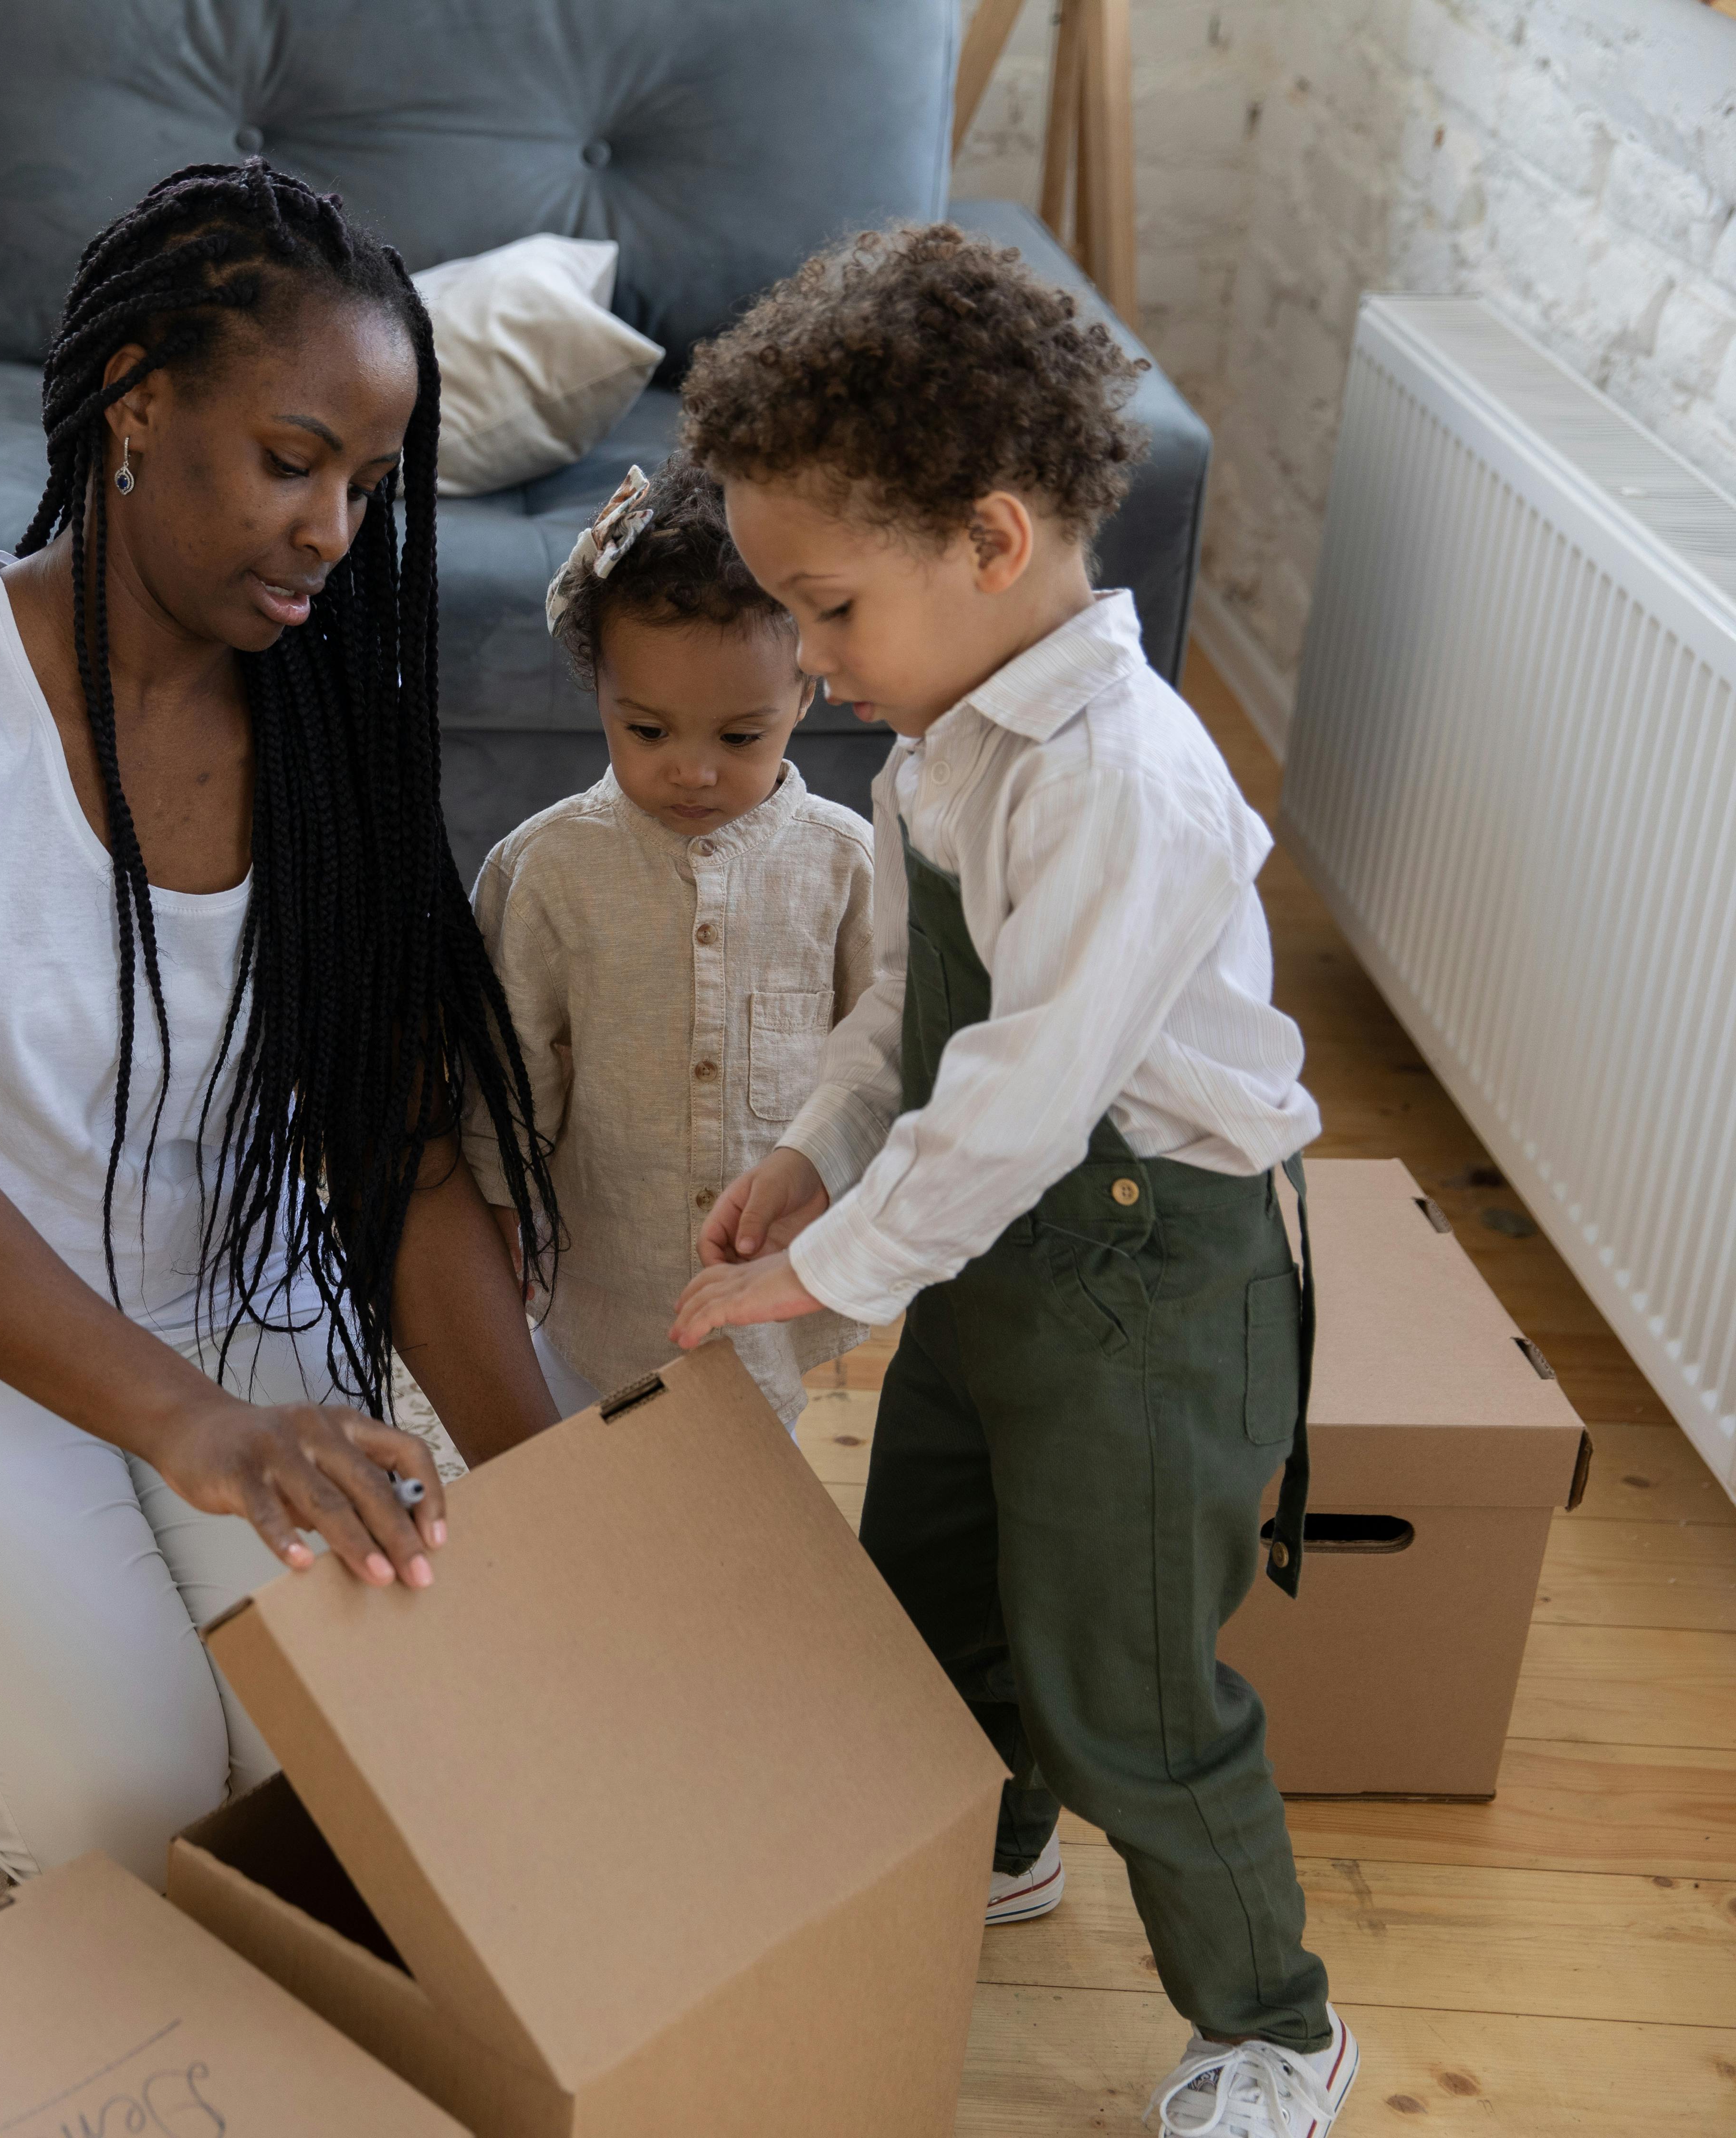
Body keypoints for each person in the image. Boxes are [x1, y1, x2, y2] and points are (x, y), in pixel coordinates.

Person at [0, 161, 565, 1886]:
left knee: (415, 1784)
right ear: (135, 402)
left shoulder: (336, 726)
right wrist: (197, 1434)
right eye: (291, 460)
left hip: (242, 1298)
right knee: (135, 1828)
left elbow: (398, 1158)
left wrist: (568, 1499)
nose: (336, 534)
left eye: (366, 484)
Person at [668, 225, 1357, 2138]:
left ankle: (1278, 2023)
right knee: (934, 1587)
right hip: (1000, 1252)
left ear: (989, 540)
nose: (805, 659)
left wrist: (846, 1268)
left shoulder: (1119, 780)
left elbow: (1039, 1085)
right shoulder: (939, 750)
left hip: (1154, 1278)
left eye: (825, 609)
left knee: (1128, 1670)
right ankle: (995, 1843)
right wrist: (816, 1157)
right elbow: (912, 1011)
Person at [467, 458, 872, 1426]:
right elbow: (507, 1074)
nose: (692, 771)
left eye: (740, 737)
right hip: (599, 1289)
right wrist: (496, 1217)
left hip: (770, 1292)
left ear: (807, 689)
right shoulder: (547, 870)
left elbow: (879, 1060)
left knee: (744, 1496)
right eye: (646, 728)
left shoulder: (848, 866)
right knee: (586, 1495)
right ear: (598, 687)